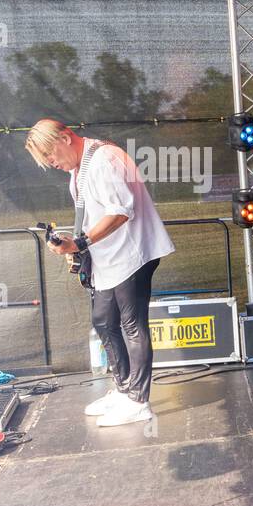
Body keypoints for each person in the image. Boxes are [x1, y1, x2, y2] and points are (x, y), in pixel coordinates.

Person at [24, 120, 175, 427]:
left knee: (132, 325)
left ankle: (138, 400)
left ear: (66, 137)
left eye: (50, 155)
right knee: (104, 321)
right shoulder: (79, 169)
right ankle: (123, 390)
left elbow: (121, 211)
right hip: (109, 257)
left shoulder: (104, 159)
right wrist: (76, 248)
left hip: (132, 255)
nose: (51, 163)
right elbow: (93, 213)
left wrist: (80, 242)